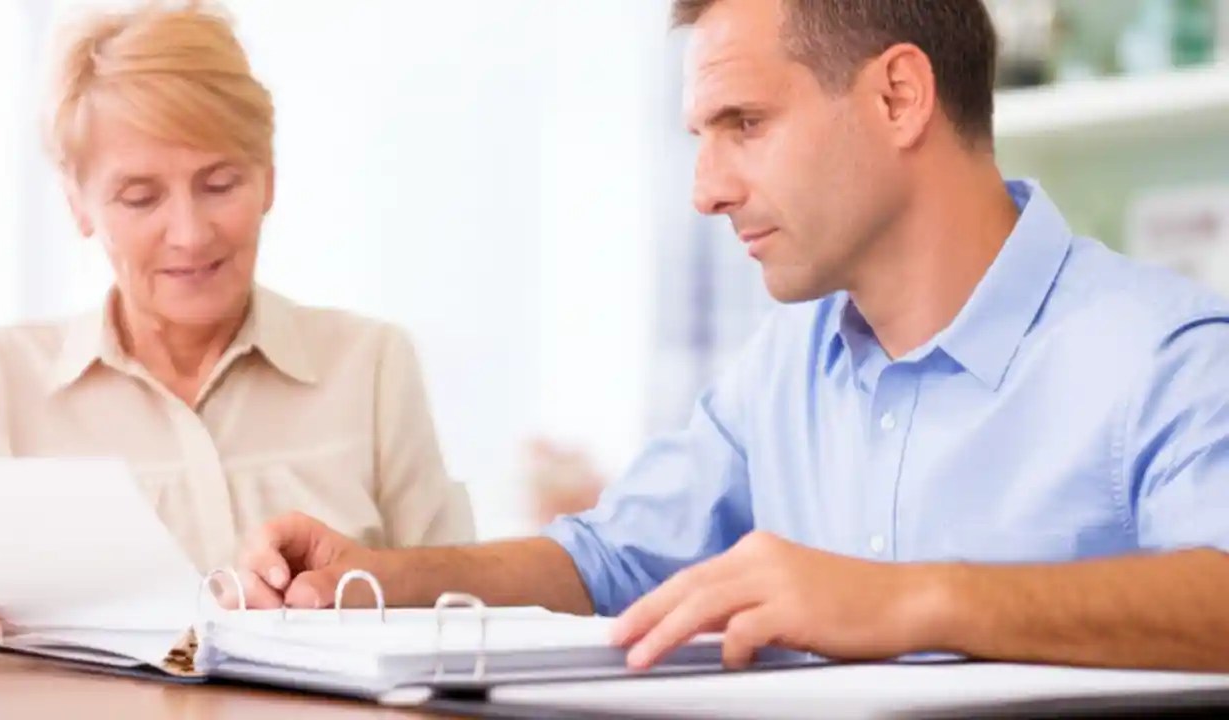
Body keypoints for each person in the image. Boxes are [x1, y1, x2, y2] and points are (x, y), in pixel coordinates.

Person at [235, 0, 1229, 672]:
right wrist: (363, 579)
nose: (706, 190)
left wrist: (910, 602)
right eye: (699, 137)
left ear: (897, 96)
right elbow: (608, 562)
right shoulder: (780, 372)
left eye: (742, 123)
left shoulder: (1165, 355)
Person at [0, 2, 473, 661]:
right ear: (77, 203)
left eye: (220, 183)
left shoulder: (370, 366)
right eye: (141, 198)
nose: (191, 234)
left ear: (270, 180)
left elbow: (468, 617)